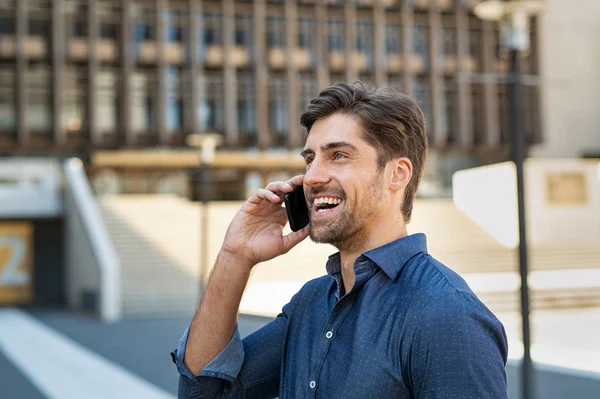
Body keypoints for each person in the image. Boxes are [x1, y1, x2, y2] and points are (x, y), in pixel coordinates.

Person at [171, 82, 508, 398]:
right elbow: (204, 392)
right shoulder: (311, 302)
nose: (313, 176)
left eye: (339, 155)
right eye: (310, 158)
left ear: (397, 174)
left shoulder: (447, 315)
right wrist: (235, 255)